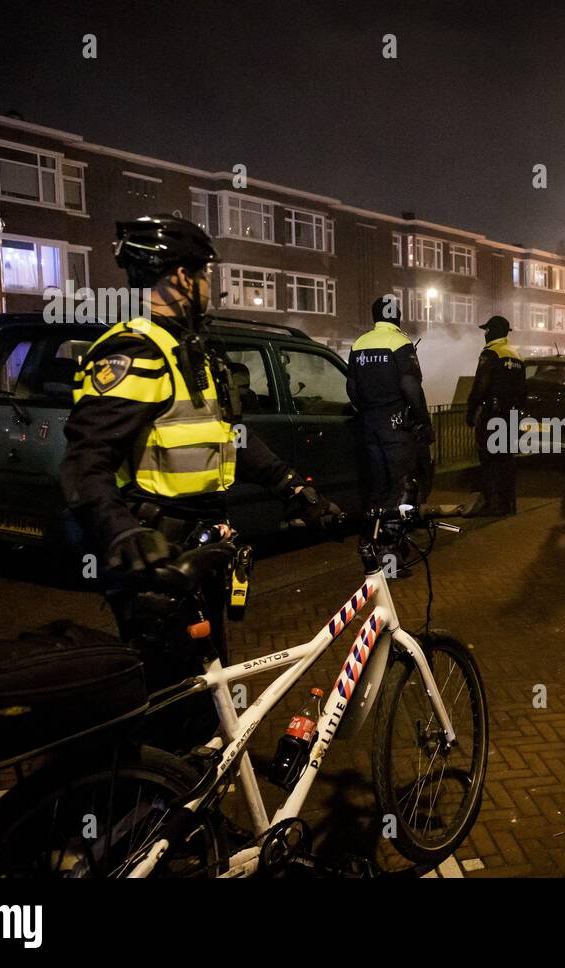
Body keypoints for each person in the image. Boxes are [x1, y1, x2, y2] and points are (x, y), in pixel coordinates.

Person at [63, 214, 337, 741]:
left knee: (207, 697)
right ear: (182, 277)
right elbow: (83, 460)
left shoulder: (194, 350)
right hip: (161, 561)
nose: (212, 285)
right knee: (176, 711)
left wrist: (293, 489)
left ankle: (195, 808)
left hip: (203, 549)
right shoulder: (134, 351)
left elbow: (231, 437)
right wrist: (121, 532)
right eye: (205, 273)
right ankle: (158, 812)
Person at [347, 296, 432, 511]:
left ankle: (375, 534)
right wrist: (423, 421)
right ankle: (396, 537)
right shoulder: (401, 343)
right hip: (396, 427)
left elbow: (352, 387)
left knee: (377, 483)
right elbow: (410, 387)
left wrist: (367, 409)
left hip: (369, 425)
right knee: (401, 484)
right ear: (398, 317)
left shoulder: (359, 343)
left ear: (374, 316)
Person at [465, 314, 526, 515]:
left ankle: (494, 505)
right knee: (507, 460)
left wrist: (471, 411)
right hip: (513, 416)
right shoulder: (516, 355)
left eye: (486, 331)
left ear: (491, 332)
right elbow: (523, 390)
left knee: (490, 460)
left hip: (493, 415)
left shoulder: (491, 353)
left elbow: (480, 386)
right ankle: (510, 503)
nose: (485, 334)